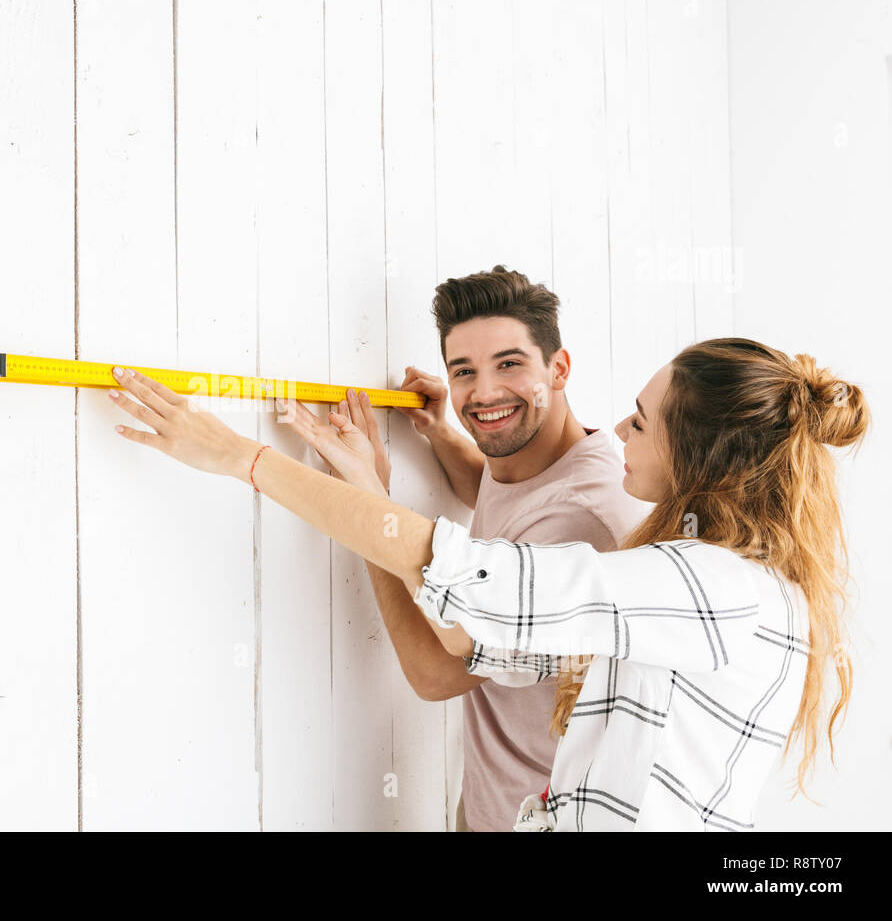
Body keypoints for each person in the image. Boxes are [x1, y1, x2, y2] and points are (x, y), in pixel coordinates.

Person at [106, 334, 866, 830]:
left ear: (700, 455)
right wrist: (382, 490)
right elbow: (478, 635)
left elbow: (487, 589)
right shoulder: (693, 578)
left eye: (641, 421)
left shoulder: (717, 587)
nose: (620, 433)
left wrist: (243, 459)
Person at [276, 266, 649, 832]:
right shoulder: (552, 459)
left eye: (509, 364)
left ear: (559, 367)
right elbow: (515, 510)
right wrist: (443, 433)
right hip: (493, 805)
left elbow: (437, 672)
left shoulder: (583, 517)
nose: (484, 393)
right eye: (464, 371)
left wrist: (369, 498)